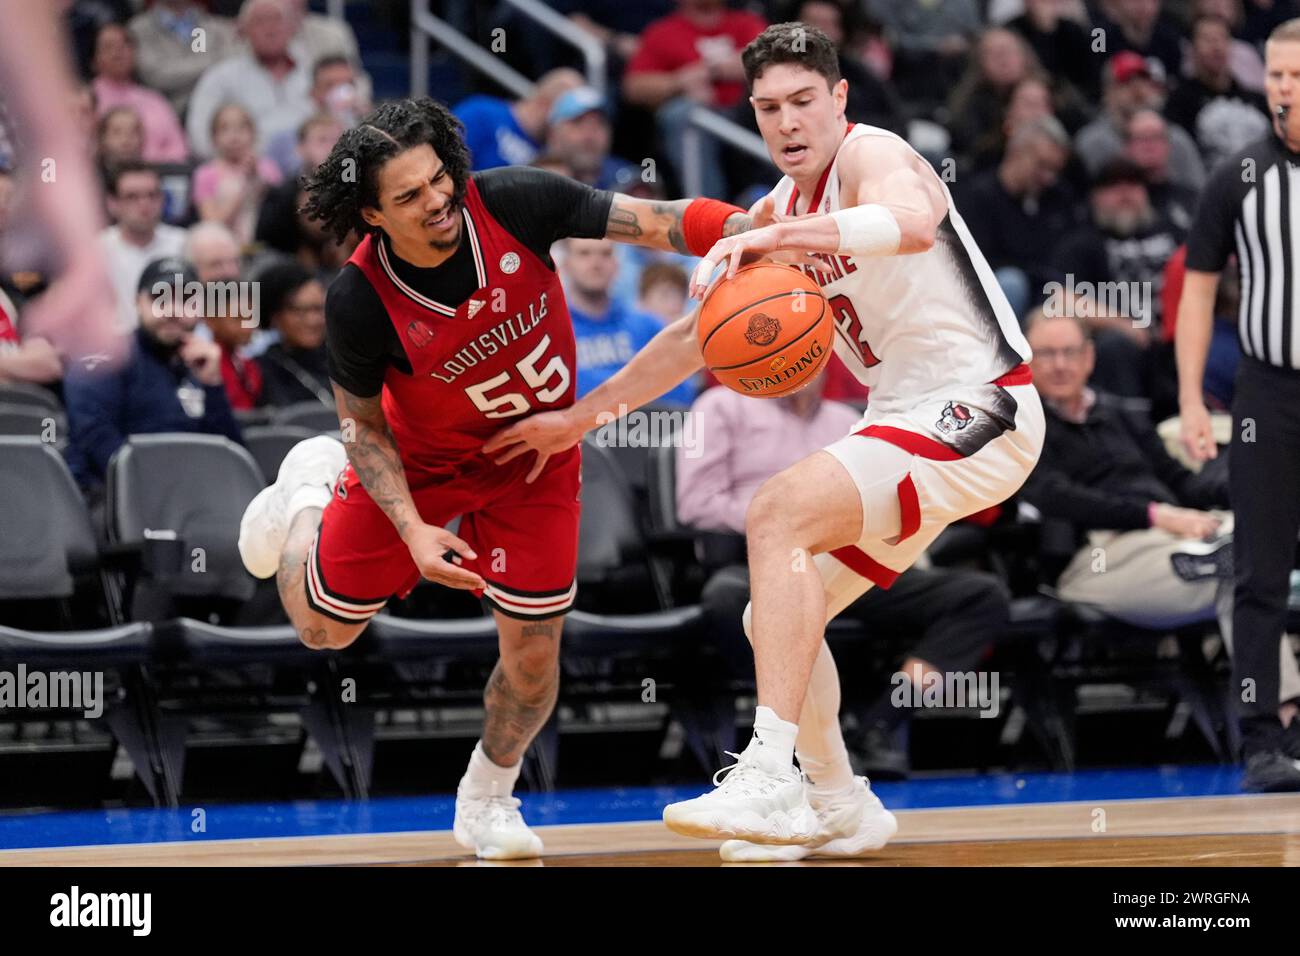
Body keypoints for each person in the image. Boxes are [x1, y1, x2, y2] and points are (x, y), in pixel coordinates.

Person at [486, 23, 1045, 860]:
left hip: (982, 404)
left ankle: (769, 771)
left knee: (776, 508)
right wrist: (578, 418)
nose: (787, 123)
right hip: (901, 420)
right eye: (768, 108)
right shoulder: (773, 212)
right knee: (772, 615)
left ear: (839, 99)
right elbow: (689, 340)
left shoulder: (874, 155)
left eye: (803, 103)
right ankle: (840, 801)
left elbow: (913, 223)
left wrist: (774, 238)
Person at [233, 97, 757, 859]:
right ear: (373, 216)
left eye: (439, 179)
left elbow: (660, 223)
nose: (437, 201)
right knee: (324, 630)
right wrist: (412, 529)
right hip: (424, 467)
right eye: (409, 197)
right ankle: (307, 493)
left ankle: (488, 796)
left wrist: (758, 229)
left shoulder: (515, 200)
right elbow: (362, 425)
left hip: (536, 460)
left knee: (535, 651)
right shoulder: (357, 297)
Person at [1176, 18, 1300, 791]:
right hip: (1268, 392)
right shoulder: (1241, 175)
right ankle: (1261, 739)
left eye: (1297, 75)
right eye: (1277, 75)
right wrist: (1192, 396)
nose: (1283, 88)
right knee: (1259, 571)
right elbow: (1195, 291)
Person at [63, 256, 242, 493]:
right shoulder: (106, 359)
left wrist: (213, 386)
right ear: (138, 302)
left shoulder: (199, 365)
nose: (173, 310)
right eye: (160, 298)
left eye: (187, 300)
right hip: (114, 501)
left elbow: (231, 459)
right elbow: (98, 444)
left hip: (192, 505)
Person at [560, 238, 695, 404]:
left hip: (649, 426)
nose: (596, 263)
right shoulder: (553, 330)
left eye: (606, 254)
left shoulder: (645, 325)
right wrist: (639, 382)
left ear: (617, 264)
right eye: (584, 254)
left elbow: (683, 389)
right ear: (565, 266)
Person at [185, 0, 315, 159]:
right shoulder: (221, 77)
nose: (270, 29)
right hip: (247, 170)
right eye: (260, 21)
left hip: (316, 169)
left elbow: (347, 119)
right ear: (243, 30)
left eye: (277, 20)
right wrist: (230, 163)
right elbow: (199, 134)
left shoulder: (315, 72)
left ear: (293, 27)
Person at [99, 162, 188, 331]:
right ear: (112, 203)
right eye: (132, 197)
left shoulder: (185, 244)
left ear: (162, 199)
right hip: (116, 348)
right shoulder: (95, 251)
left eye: (152, 195)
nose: (144, 204)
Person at [90, 21, 189, 165]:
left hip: (156, 177)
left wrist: (146, 168)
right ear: (94, 60)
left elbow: (179, 149)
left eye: (125, 45)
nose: (118, 52)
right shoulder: (85, 100)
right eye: (109, 47)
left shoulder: (155, 100)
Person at [453, 68, 583, 171]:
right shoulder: (482, 114)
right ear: (545, 103)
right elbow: (447, 158)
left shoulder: (550, 149)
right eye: (571, 118)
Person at [192, 103, 284, 246]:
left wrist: (256, 177)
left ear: (253, 133)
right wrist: (244, 184)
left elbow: (279, 213)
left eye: (241, 128)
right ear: (213, 137)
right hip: (225, 246)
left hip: (266, 245)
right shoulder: (205, 174)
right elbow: (212, 224)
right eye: (224, 129)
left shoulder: (268, 168)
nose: (234, 136)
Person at [128, 0, 237, 115]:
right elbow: (156, 76)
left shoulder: (219, 27)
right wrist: (213, 63)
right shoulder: (139, 30)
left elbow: (232, 65)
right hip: (168, 113)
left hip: (219, 108)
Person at [256, 261, 331, 408]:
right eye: (299, 311)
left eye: (318, 308)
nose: (312, 320)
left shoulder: (344, 361)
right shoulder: (260, 370)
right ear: (274, 315)